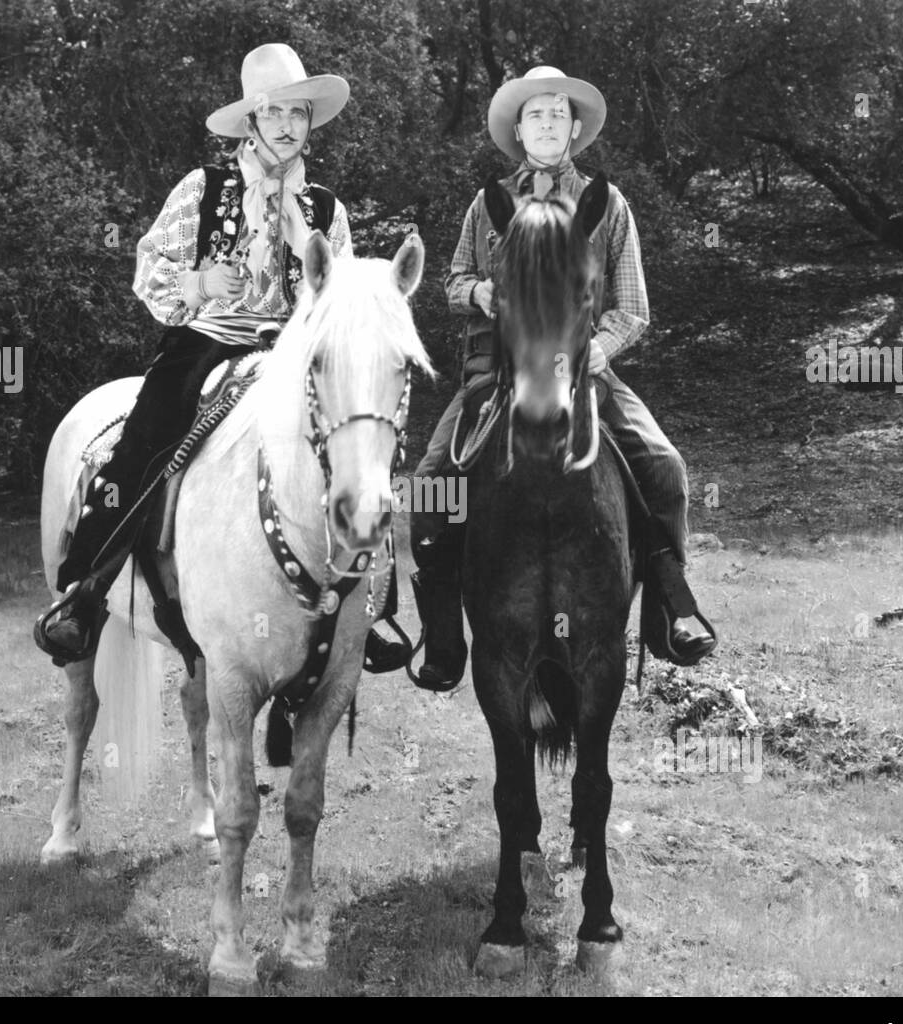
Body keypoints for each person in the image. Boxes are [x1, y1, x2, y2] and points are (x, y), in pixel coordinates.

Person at [36, 43, 404, 671]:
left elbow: (341, 306)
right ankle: (87, 590)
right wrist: (202, 284)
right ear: (251, 120)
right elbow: (149, 268)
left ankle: (368, 607)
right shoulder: (202, 189)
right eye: (275, 112)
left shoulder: (326, 208)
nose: (288, 125)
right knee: (153, 429)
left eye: (298, 112)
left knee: (357, 432)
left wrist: (306, 251)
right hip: (209, 337)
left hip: (291, 344)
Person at [406, 65, 717, 692]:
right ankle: (442, 634)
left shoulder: (610, 204)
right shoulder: (487, 202)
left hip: (581, 370)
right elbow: (451, 281)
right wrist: (482, 291)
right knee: (432, 482)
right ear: (518, 131)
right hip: (495, 371)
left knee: (665, 467)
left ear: (574, 128)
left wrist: (602, 349)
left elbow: (631, 305)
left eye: (557, 113)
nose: (546, 123)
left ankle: (668, 606)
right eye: (535, 114)